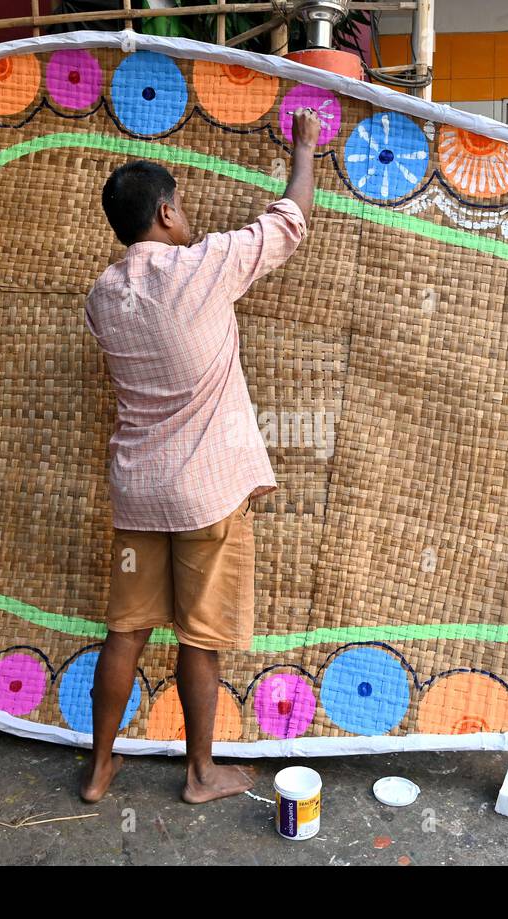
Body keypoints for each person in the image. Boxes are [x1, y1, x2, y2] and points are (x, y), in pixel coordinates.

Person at [79, 109, 322, 804]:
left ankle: (99, 770)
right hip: (205, 495)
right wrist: (303, 149)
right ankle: (200, 773)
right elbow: (289, 220)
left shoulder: (102, 296)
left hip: (137, 495)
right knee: (199, 637)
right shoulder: (202, 269)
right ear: (164, 211)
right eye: (180, 207)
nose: (186, 218)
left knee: (124, 629)